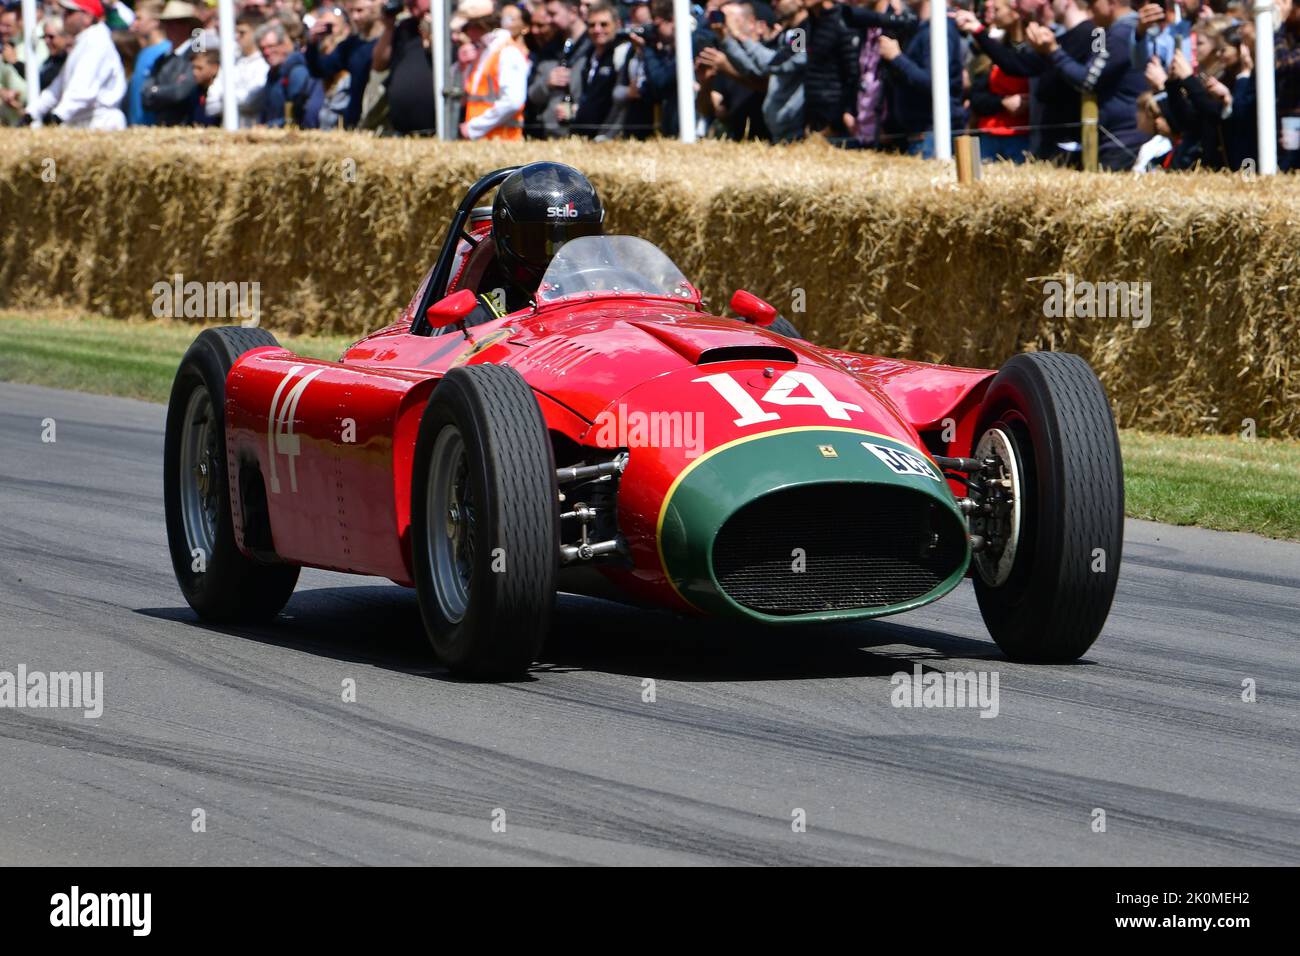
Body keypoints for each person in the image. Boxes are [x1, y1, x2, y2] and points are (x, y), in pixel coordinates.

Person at [470, 161, 605, 318]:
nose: (558, 260)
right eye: (537, 242)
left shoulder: (610, 302)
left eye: (572, 244)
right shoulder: (480, 317)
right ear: (504, 237)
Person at [1026, 0, 1149, 170]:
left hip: (1122, 138)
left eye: (1093, 2)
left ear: (1111, 2)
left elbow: (1088, 80)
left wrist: (1054, 51)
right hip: (1117, 135)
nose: (1089, 10)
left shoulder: (1121, 33)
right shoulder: (1117, 30)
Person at [25, 0, 127, 128]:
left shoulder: (97, 42)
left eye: (70, 12)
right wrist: (32, 112)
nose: (64, 16)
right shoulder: (85, 40)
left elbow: (83, 90)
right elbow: (59, 86)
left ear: (88, 17)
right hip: (83, 122)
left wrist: (57, 117)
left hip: (100, 122)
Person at [458, 0, 529, 139]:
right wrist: (462, 66)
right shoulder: (484, 52)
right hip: (483, 144)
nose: (465, 34)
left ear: (478, 26)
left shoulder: (508, 53)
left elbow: (513, 102)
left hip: (503, 143)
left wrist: (474, 128)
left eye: (466, 28)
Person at [305, 0, 377, 128]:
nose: (355, 17)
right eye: (351, 11)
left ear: (376, 7)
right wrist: (312, 44)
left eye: (360, 10)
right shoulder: (351, 45)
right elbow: (320, 70)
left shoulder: (391, 39)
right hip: (356, 122)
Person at [372, 0, 437, 134]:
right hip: (403, 133)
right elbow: (379, 64)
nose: (409, 3)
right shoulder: (404, 27)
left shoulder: (451, 21)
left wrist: (433, 29)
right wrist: (388, 27)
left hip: (436, 129)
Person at [527, 0, 590, 137]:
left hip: (583, 138)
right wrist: (547, 83)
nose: (549, 20)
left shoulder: (593, 48)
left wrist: (580, 110)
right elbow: (532, 95)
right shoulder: (549, 49)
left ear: (573, 13)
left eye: (553, 14)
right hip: (549, 135)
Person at [572, 0, 629, 138]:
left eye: (604, 24)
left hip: (608, 139)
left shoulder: (622, 53)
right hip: (584, 138)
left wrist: (606, 136)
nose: (597, 30)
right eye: (592, 25)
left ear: (618, 24)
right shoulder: (586, 56)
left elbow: (620, 106)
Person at [141, 0, 202, 126]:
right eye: (166, 23)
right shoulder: (161, 59)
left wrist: (155, 91)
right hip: (161, 125)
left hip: (186, 125)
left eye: (174, 23)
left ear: (186, 26)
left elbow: (181, 92)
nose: (168, 28)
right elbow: (145, 96)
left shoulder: (195, 55)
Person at [204, 9, 269, 127]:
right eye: (236, 32)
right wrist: (232, 100)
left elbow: (251, 101)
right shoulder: (231, 60)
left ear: (256, 32)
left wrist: (224, 97)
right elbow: (210, 104)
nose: (237, 37)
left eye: (242, 33)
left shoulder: (264, 63)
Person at [256, 18, 316, 125]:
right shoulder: (272, 74)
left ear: (283, 44)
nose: (267, 52)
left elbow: (297, 116)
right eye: (262, 48)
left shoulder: (297, 72)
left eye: (271, 46)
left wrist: (268, 127)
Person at [126, 1, 170, 124]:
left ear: (155, 21)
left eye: (139, 18)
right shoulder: (143, 52)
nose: (134, 24)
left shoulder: (165, 51)